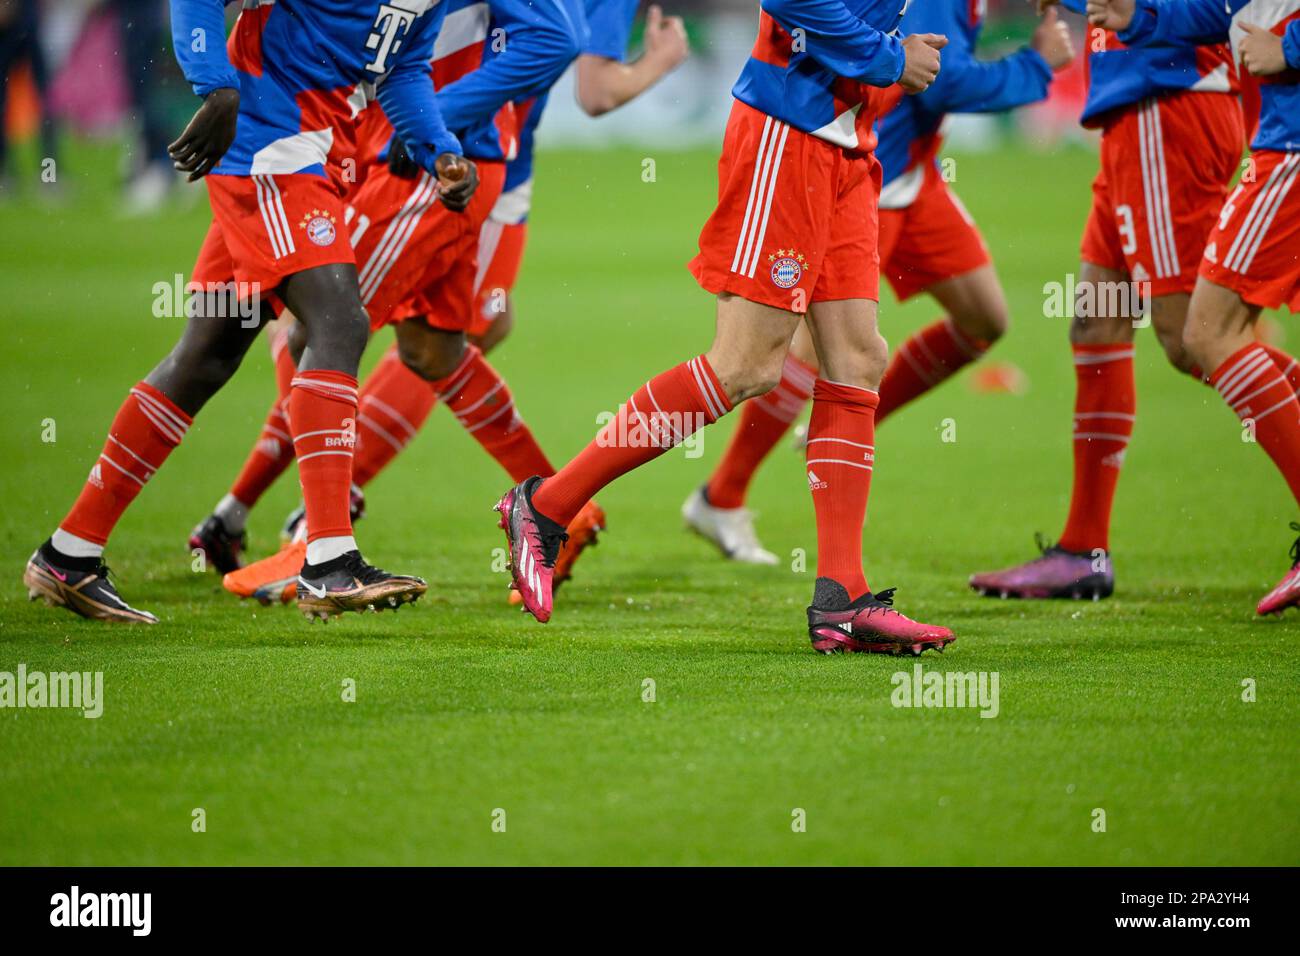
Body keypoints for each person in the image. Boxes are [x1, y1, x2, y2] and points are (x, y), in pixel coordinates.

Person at [496, 0, 958, 655]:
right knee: (745, 365)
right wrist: (890, 59)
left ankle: (843, 601)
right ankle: (545, 507)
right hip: (789, 129)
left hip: (849, 137)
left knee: (857, 358)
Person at [23, 0, 474, 623]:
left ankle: (69, 553)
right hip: (269, 147)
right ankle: (329, 560)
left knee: (208, 356)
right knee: (339, 319)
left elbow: (399, 66)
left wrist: (437, 148)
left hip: (304, 153)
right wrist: (215, 86)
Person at [683, 0, 1076, 565]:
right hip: (871, 171)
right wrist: (1036, 66)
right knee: (807, 351)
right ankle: (725, 495)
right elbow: (939, 83)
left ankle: (849, 421)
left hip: (917, 175)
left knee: (983, 319)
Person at [969, 0, 1252, 600]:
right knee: (1097, 326)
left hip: (1169, 107)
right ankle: (1082, 551)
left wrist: (1143, 16)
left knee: (1193, 338)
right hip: (1135, 117)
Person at [1083, 0, 1300, 614]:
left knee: (1201, 335)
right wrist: (1143, 18)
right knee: (1172, 328)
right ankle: (1080, 545)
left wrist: (1291, 48)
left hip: (1246, 130)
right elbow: (1225, 8)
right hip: (1263, 133)